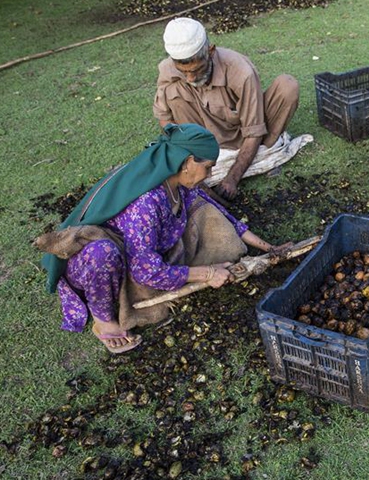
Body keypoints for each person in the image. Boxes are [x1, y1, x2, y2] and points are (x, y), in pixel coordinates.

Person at [39, 124, 282, 354]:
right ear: (187, 162)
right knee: (103, 254)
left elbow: (224, 216)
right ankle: (104, 321)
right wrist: (207, 273)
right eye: (208, 167)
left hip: (133, 253)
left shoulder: (180, 184)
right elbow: (146, 272)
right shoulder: (147, 202)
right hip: (91, 263)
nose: (209, 174)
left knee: (205, 210)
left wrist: (270, 248)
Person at [154, 17, 300, 201]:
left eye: (197, 70)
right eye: (184, 72)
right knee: (172, 89)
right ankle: (203, 156)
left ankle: (264, 151)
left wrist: (232, 178)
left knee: (288, 85)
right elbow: (166, 121)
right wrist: (189, 165)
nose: (191, 78)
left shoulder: (240, 71)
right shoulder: (168, 71)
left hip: (242, 136)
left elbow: (254, 131)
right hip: (202, 142)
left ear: (210, 51)